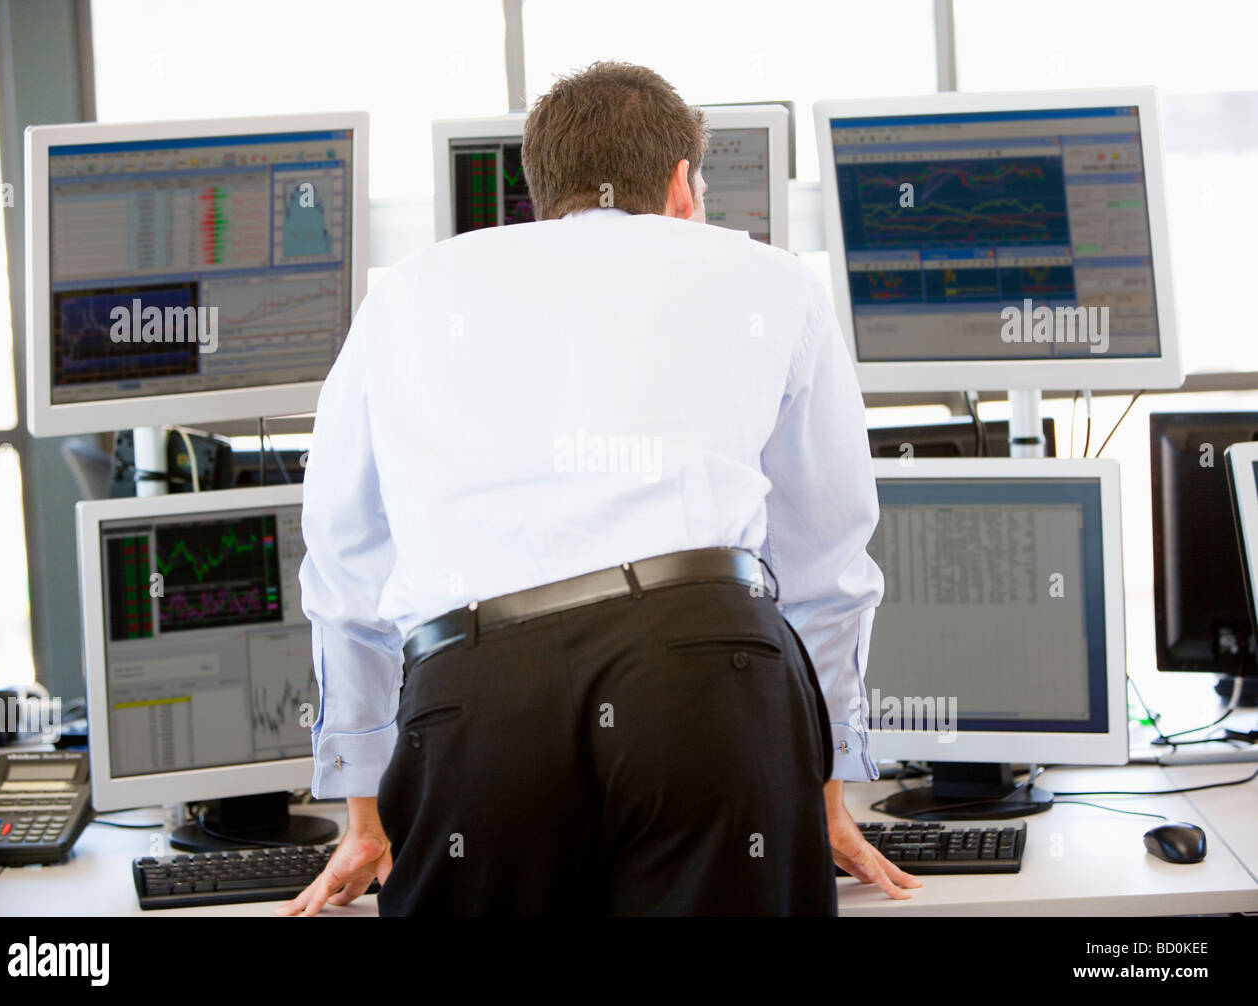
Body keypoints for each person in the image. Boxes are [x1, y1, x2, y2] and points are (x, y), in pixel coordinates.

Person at [279, 61, 920, 916]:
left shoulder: (405, 299)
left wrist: (365, 810)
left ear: (538, 193)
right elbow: (827, 564)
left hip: (479, 697)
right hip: (704, 675)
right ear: (683, 186)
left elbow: (345, 566)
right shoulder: (773, 282)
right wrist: (823, 782)